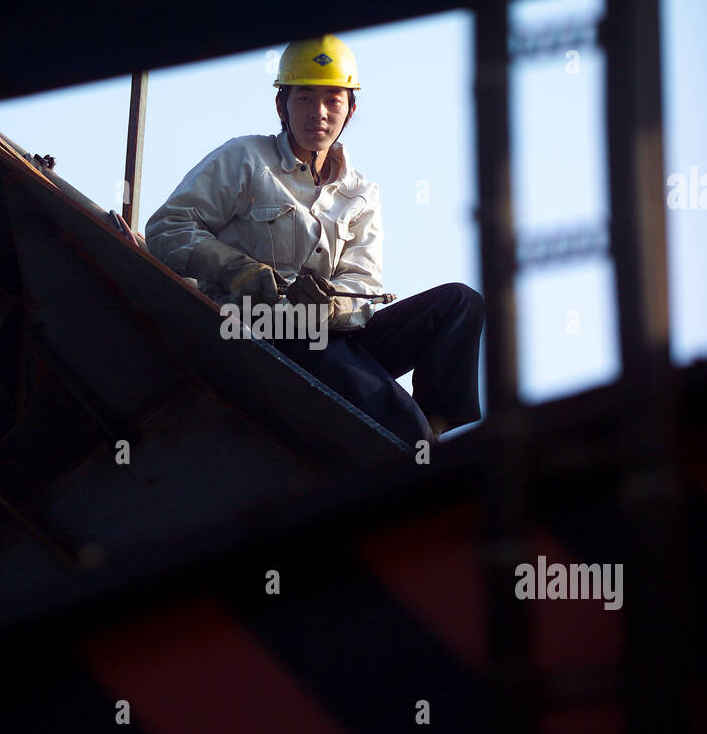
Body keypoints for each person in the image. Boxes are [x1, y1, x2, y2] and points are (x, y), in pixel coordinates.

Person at [144, 34, 484, 448]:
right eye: (304, 98)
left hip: (332, 332)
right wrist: (241, 273)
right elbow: (168, 229)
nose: (318, 112)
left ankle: (438, 425)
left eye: (332, 100)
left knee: (460, 303)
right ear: (281, 105)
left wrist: (329, 307)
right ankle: (416, 444)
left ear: (351, 109)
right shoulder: (246, 159)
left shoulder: (360, 192)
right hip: (266, 331)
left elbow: (363, 287)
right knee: (402, 429)